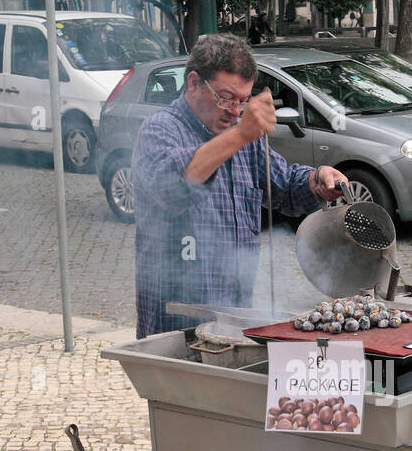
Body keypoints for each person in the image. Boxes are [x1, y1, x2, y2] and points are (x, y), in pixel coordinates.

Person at [132, 33, 347, 338]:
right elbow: (178, 185)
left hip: (235, 314)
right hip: (178, 318)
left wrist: (318, 180)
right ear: (193, 83)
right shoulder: (160, 129)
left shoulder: (243, 136)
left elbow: (283, 186)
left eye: (243, 100)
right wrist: (241, 134)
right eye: (225, 97)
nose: (234, 111)